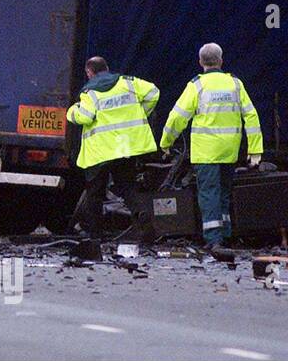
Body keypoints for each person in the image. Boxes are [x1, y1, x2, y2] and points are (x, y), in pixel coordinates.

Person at [158, 43, 262, 248]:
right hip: (229, 151)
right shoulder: (235, 84)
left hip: (206, 153)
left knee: (209, 194)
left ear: (200, 62)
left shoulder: (196, 86)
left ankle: (214, 240)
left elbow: (177, 117)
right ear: (221, 60)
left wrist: (166, 142)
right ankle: (226, 234)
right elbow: (251, 116)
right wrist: (255, 149)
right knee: (223, 193)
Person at [66, 56, 160, 242]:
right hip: (125, 147)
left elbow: (85, 116)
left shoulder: (90, 91)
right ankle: (141, 215)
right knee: (127, 186)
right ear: (107, 68)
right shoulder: (128, 83)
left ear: (89, 73)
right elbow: (153, 93)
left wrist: (71, 112)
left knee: (95, 193)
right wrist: (142, 112)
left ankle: (95, 235)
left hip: (100, 151)